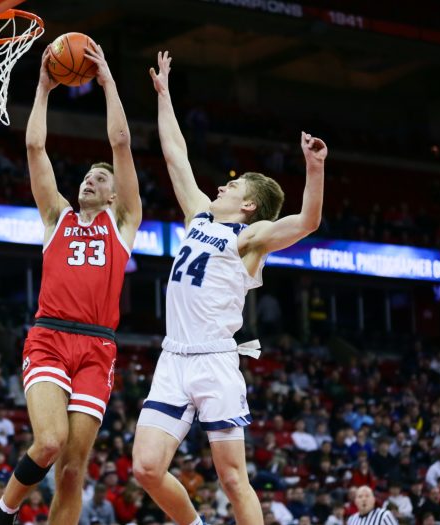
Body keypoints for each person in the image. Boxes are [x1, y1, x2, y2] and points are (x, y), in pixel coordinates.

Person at [132, 50, 326, 525]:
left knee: (233, 479)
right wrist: (164, 97)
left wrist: (315, 168)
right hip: (173, 357)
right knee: (146, 468)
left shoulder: (249, 238)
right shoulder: (198, 214)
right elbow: (174, 154)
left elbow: (307, 222)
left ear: (248, 207)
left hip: (215, 360)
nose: (222, 186)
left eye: (233, 188)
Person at [0, 43, 142, 525]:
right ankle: (3, 512)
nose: (89, 181)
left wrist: (109, 82)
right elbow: (34, 148)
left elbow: (120, 144)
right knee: (49, 442)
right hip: (50, 338)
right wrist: (43, 88)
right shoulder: (56, 216)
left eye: (99, 179)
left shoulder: (124, 221)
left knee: (73, 470)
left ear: (114, 193)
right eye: (87, 176)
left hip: (97, 348)